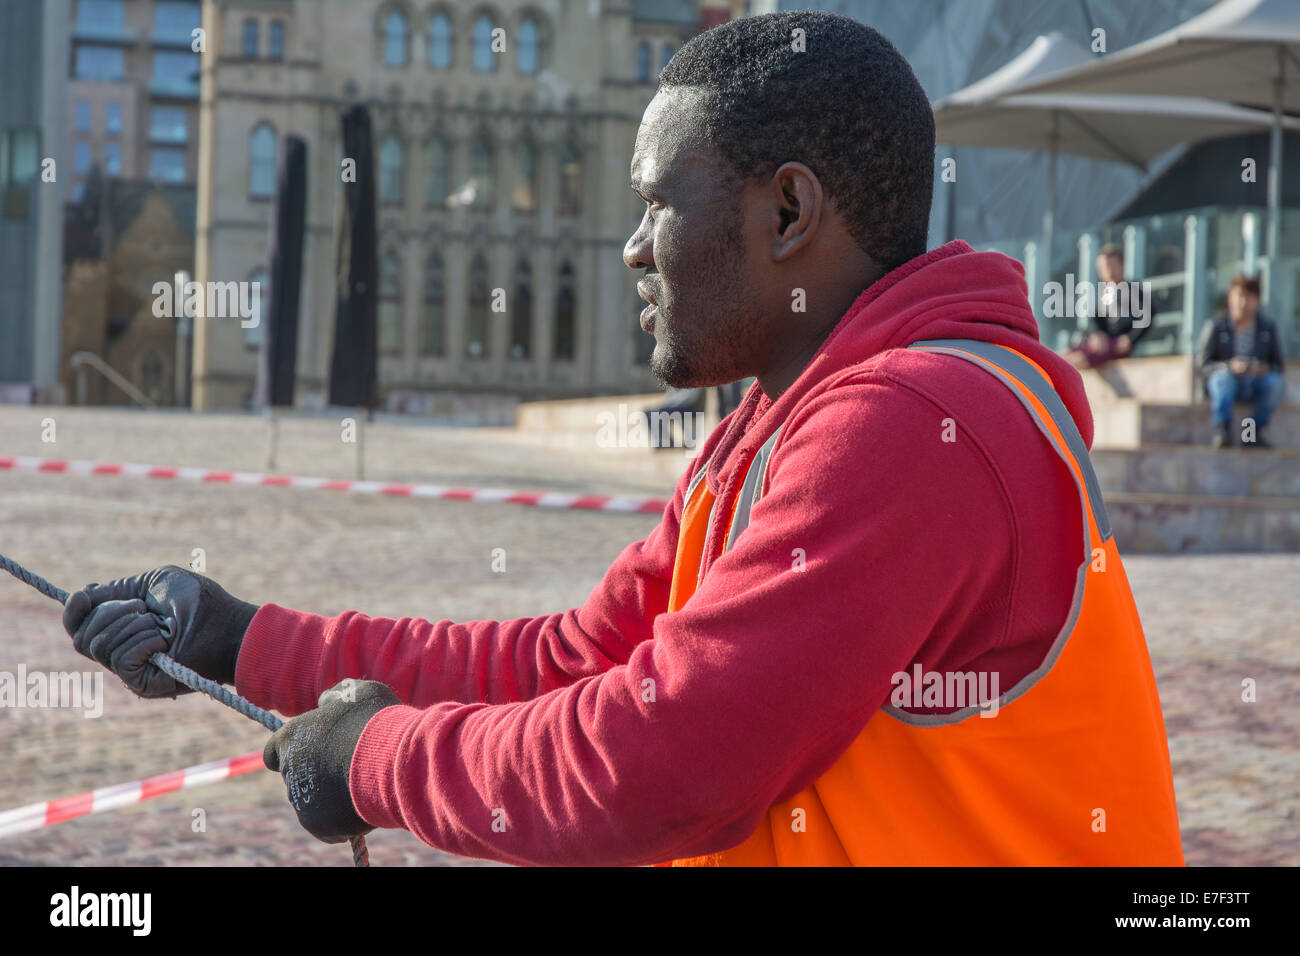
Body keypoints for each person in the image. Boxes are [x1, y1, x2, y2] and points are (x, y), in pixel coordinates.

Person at [62, 12, 1183, 866]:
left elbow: (664, 762)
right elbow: (570, 665)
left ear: (786, 214)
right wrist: (245, 639)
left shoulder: (912, 427)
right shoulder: (776, 424)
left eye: (658, 205)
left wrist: (374, 756)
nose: (632, 251)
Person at [1199, 274, 1286, 449]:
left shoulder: (1266, 328)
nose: (1243, 303)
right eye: (1239, 296)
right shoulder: (1216, 326)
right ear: (1230, 297)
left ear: (1258, 301)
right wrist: (1228, 366)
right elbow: (1203, 365)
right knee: (1222, 379)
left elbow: (1278, 366)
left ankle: (1251, 435)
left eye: (1249, 297)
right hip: (1227, 382)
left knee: (1275, 383)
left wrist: (1263, 368)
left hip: (1255, 382)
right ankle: (1223, 432)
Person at [1064, 243, 1149, 370]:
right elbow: (1095, 318)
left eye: (1111, 266)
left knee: (1077, 360)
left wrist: (1130, 339)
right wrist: (1096, 333)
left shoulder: (1133, 290)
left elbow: (1147, 316)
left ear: (1122, 266)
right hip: (1103, 342)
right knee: (1065, 355)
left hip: (1116, 344)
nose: (1107, 272)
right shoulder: (1107, 291)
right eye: (1102, 268)